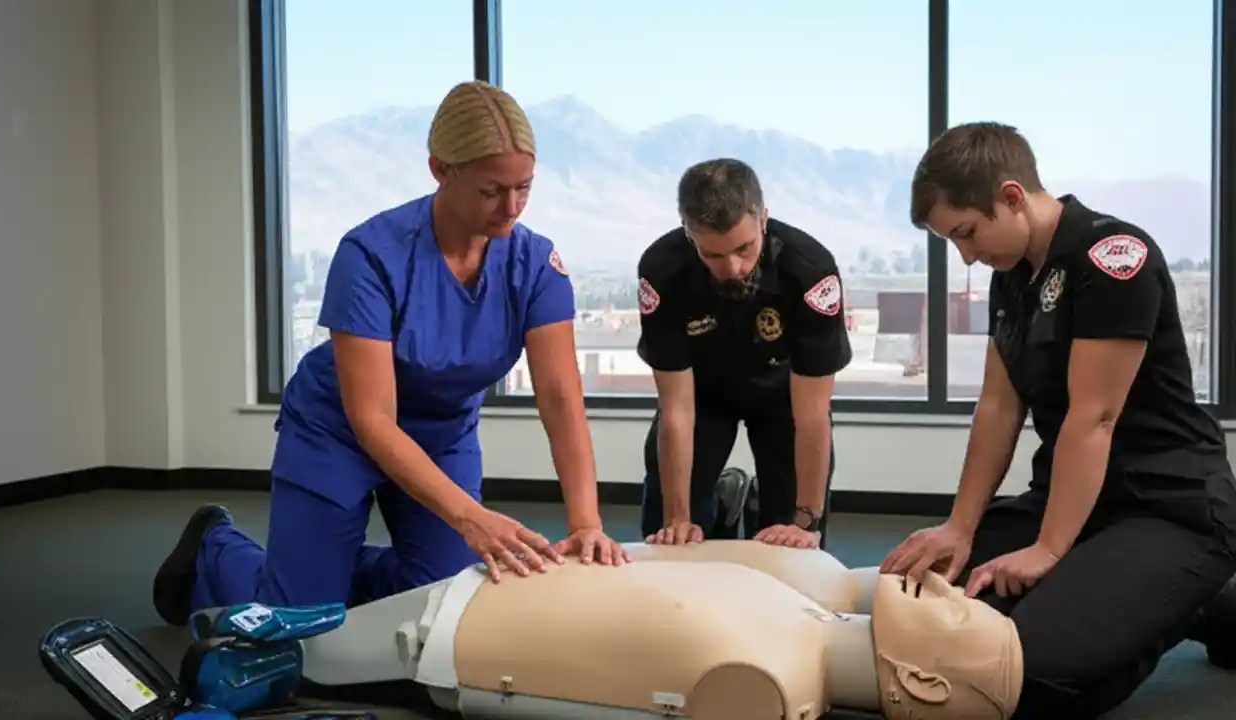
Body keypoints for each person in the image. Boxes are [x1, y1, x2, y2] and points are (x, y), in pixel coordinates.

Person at [152, 80, 629, 627]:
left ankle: (323, 567)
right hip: (339, 432)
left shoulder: (536, 265)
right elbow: (372, 419)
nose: (511, 208)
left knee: (446, 606)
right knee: (303, 625)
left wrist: (586, 521)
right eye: (492, 190)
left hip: (440, 436)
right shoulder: (371, 255)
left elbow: (561, 399)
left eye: (524, 187)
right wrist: (471, 518)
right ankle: (216, 547)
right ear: (440, 169)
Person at [880, 120, 1236, 717]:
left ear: (1012, 197)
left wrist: (1048, 550)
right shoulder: (1011, 277)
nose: (966, 256)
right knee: (918, 597)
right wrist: (959, 527)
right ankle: (1169, 592)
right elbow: (998, 406)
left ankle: (1197, 601)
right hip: (1075, 502)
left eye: (966, 233)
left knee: (1026, 675)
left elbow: (1093, 419)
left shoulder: (1113, 257)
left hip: (1170, 506)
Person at [296, 540, 1021, 720]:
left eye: (952, 614)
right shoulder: (805, 604)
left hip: (453, 633)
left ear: (923, 681)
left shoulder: (765, 679)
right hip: (507, 582)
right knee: (325, 599)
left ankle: (217, 558)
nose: (938, 586)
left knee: (306, 642)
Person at [635, 158, 851, 549]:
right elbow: (677, 410)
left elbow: (813, 415)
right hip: (701, 394)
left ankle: (759, 507)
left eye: (744, 248)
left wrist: (806, 521)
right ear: (689, 233)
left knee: (795, 543)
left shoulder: (809, 271)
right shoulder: (662, 271)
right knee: (666, 536)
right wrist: (677, 519)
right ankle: (720, 502)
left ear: (763, 219)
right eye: (713, 256)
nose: (732, 268)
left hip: (784, 396)